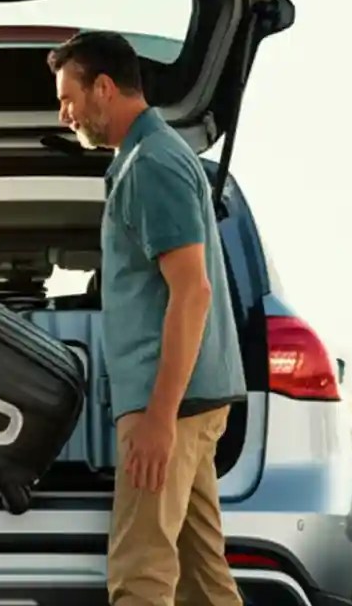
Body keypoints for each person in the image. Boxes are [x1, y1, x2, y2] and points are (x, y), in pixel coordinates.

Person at [47, 32, 247, 606]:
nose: (64, 115)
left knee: (140, 574)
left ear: (103, 89)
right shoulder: (147, 157)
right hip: (188, 400)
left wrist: (158, 418)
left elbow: (193, 291)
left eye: (68, 98)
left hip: (172, 406)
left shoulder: (152, 164)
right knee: (201, 578)